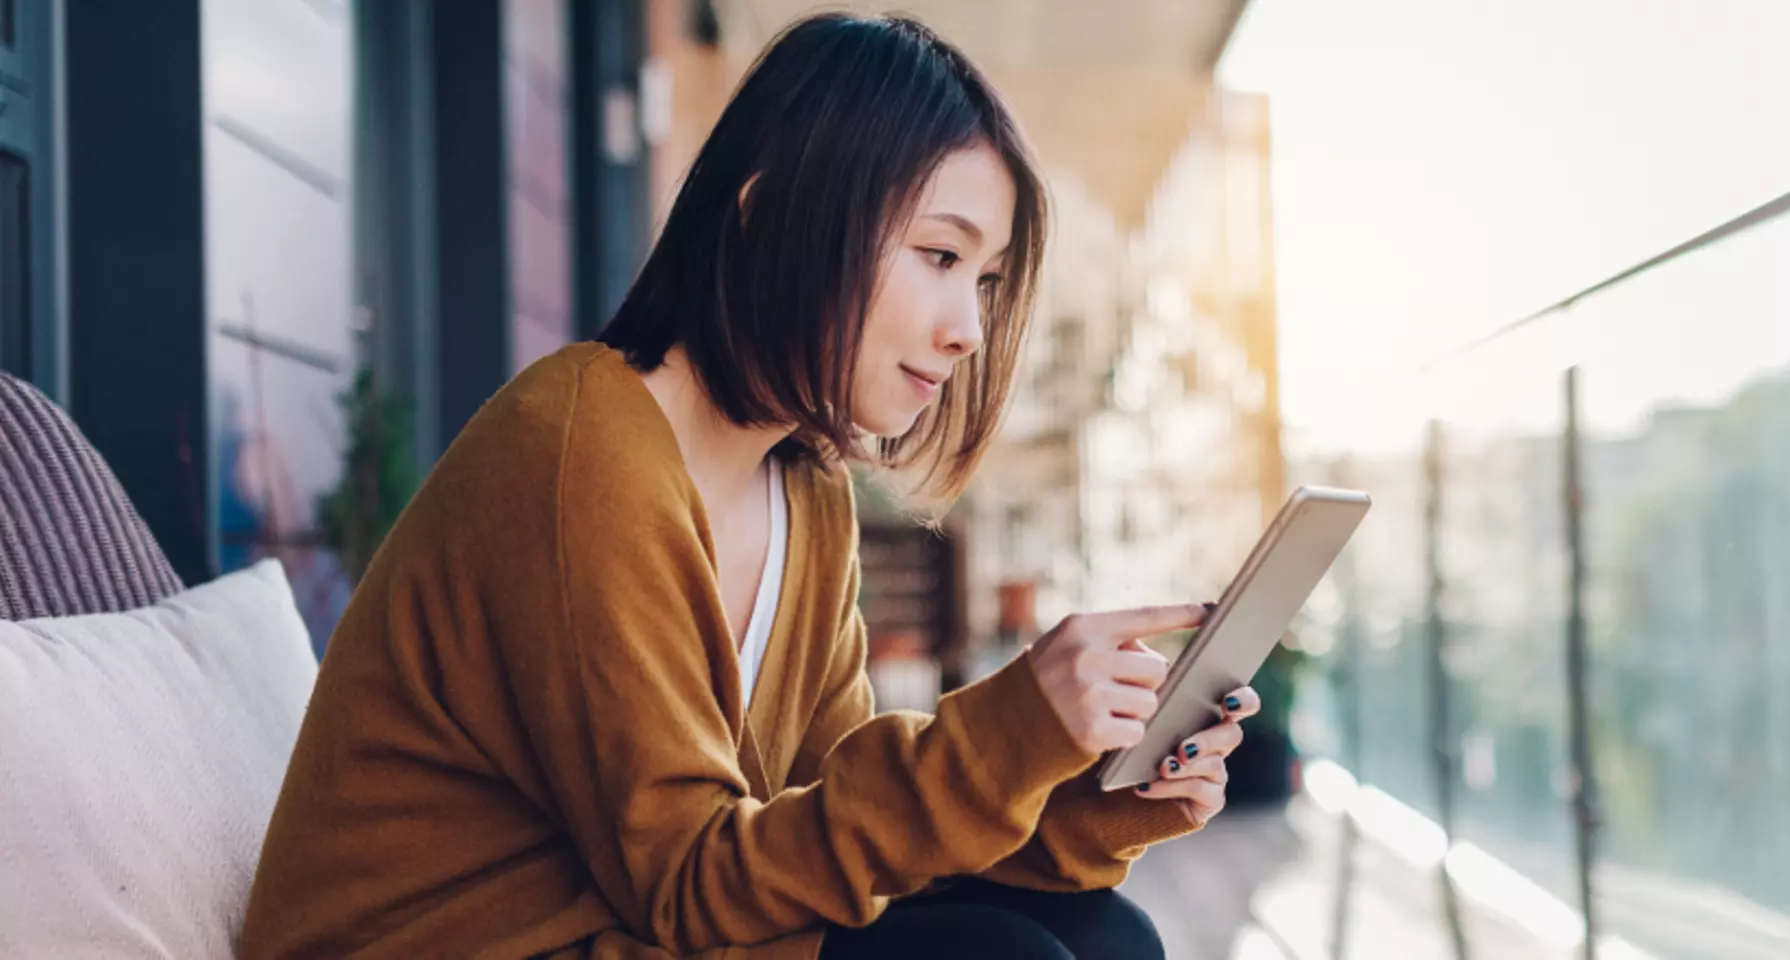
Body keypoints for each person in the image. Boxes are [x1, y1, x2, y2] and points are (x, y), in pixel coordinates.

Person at [240, 13, 1259, 960]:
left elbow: (838, 838)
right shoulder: (580, 451)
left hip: (631, 925)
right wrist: (1007, 730)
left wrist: (1097, 792)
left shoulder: (804, 497)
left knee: (1103, 933)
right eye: (940, 256)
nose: (967, 328)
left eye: (982, 281)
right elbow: (686, 882)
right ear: (773, 215)